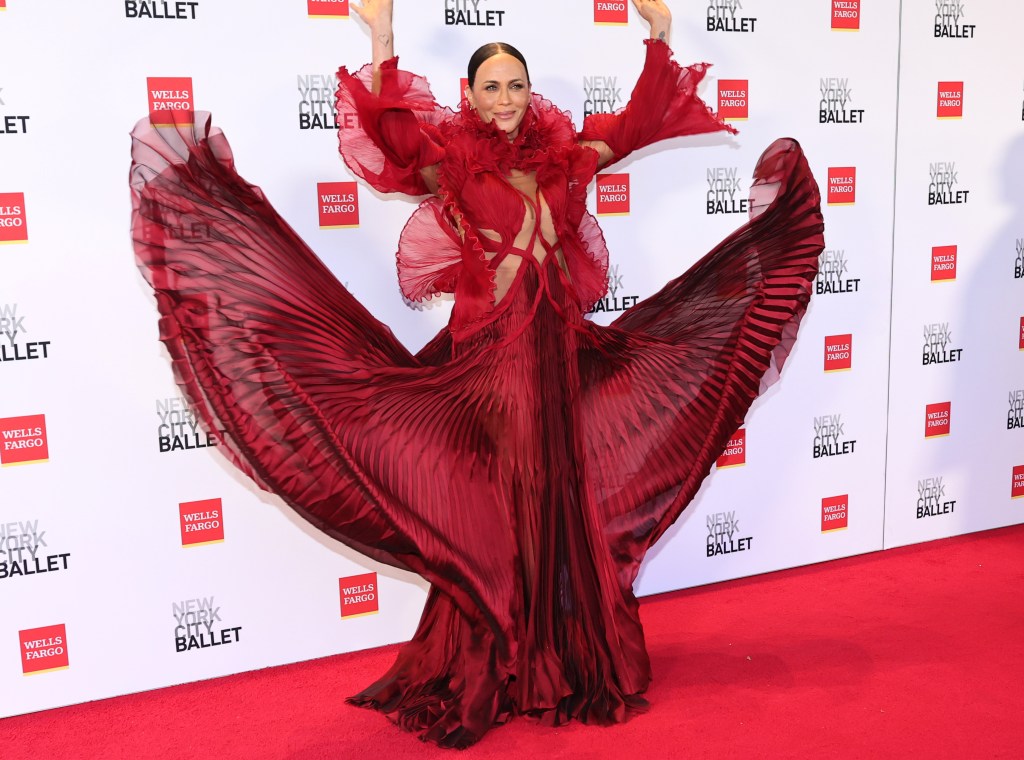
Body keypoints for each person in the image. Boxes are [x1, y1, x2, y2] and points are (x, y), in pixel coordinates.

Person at [130, 0, 824, 749]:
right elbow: (391, 140)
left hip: (556, 354)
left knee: (556, 493)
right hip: (490, 362)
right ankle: (498, 656)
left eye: (516, 86)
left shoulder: (568, 154)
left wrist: (659, 41)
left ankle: (557, 655)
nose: (504, 99)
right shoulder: (448, 160)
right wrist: (384, 40)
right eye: (491, 87)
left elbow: (634, 126)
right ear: (469, 95)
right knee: (501, 502)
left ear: (531, 93)